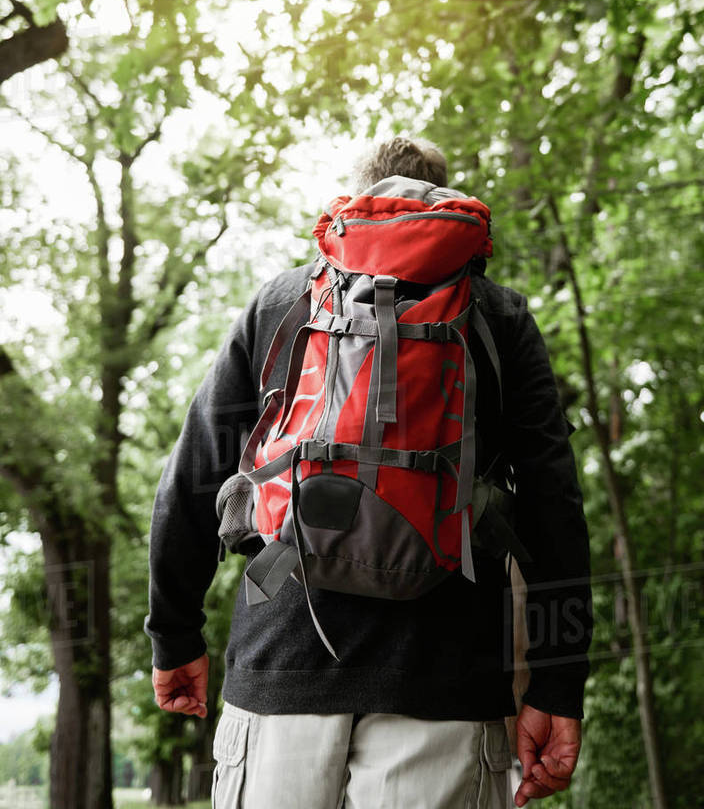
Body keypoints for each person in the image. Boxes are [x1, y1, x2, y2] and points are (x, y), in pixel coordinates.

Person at [145, 136, 593, 808]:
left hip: (281, 666)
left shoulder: (283, 304)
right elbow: (553, 506)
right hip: (446, 685)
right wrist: (558, 685)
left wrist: (174, 633)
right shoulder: (498, 316)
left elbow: (194, 472)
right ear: (447, 200)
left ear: (353, 201)